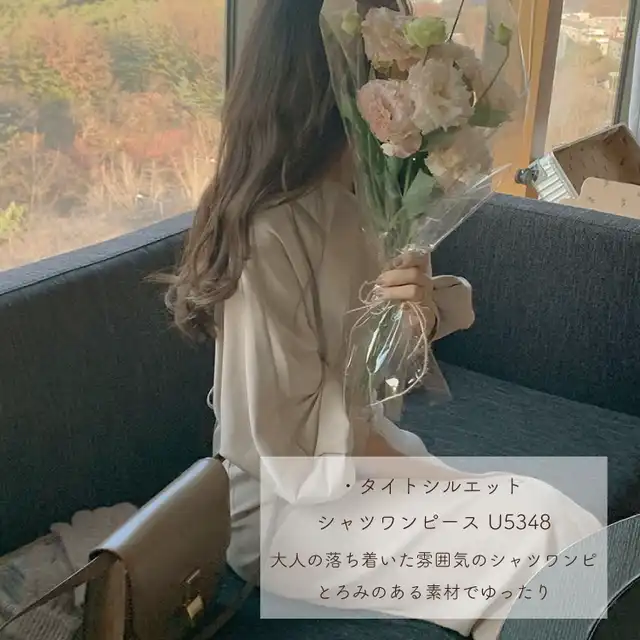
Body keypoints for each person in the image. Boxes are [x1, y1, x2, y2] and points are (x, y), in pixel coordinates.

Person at [165, 1, 602, 638]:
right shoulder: (268, 231)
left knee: (560, 527)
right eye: (389, 61)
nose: (402, 80)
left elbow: (378, 367)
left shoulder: (375, 195)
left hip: (362, 468)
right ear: (330, 77)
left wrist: (415, 316)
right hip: (285, 514)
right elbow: (287, 445)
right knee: (539, 539)